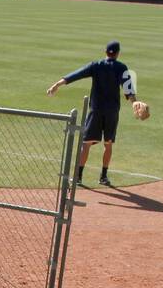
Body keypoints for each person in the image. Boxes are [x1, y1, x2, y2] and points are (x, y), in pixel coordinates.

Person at [46, 39, 140, 188]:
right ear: (118, 53)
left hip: (95, 110)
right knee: (108, 144)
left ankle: (78, 176)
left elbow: (76, 74)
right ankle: (103, 176)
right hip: (112, 111)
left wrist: (56, 85)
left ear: (105, 52)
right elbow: (129, 91)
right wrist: (135, 102)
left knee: (86, 144)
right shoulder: (122, 68)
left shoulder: (96, 65)